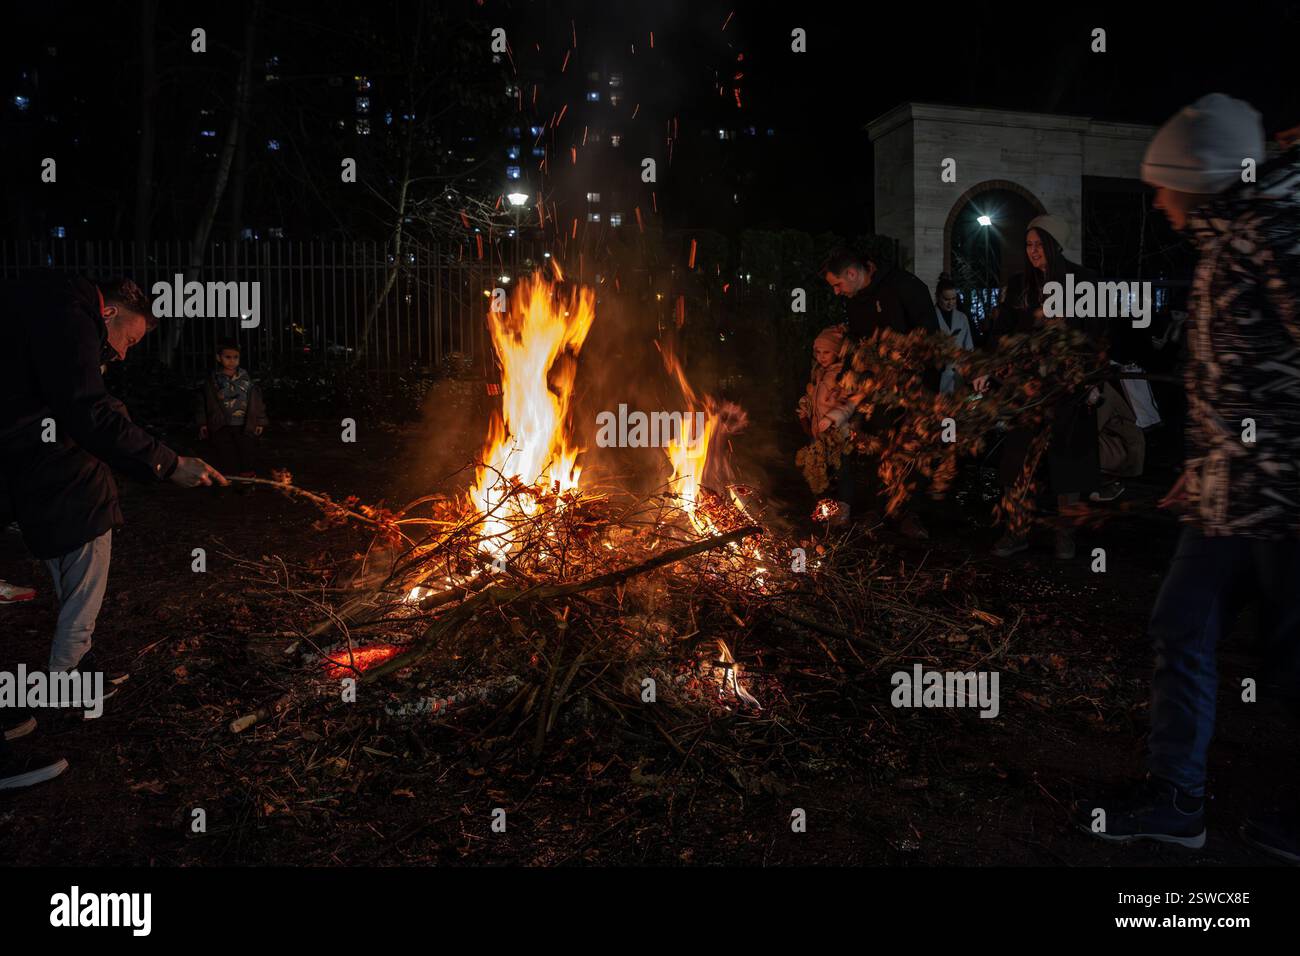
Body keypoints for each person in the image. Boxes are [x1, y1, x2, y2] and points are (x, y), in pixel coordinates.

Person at [1076, 94, 1300, 862]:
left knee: (1292, 656)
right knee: (1180, 628)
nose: (1159, 202)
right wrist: (1203, 466)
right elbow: (1229, 377)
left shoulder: (1279, 229)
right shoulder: (1227, 236)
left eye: (1165, 187)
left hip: (1285, 497)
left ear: (1200, 178)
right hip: (1228, 496)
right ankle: (1176, 801)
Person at [0, 274, 226, 791]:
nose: (123, 354)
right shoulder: (65, 310)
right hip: (28, 464)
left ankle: (62, 677)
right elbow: (85, 408)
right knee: (81, 514)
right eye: (128, 339)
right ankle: (62, 679)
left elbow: (75, 407)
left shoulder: (52, 308)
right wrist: (167, 463)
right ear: (111, 312)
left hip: (21, 461)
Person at [977, 216, 1104, 560]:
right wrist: (988, 367)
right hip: (1028, 390)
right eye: (1028, 245)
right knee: (1016, 462)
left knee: (1068, 466)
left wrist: (1090, 383)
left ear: (1053, 244)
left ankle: (1066, 537)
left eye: (1038, 244)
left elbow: (1094, 339)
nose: (1032, 251)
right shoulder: (1020, 285)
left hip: (1068, 388)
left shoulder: (1083, 283)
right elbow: (1001, 333)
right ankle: (1016, 531)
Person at [821, 247, 937, 538]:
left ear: (852, 273)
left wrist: (909, 369)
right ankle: (880, 508)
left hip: (914, 389)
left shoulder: (906, 287)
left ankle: (911, 513)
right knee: (878, 448)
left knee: (910, 451)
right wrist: (847, 379)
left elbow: (930, 336)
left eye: (838, 284)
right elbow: (856, 345)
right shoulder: (857, 300)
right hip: (877, 393)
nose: (837, 292)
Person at [798, 325, 861, 526]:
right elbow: (813, 397)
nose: (821, 356)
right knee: (818, 469)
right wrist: (805, 408)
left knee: (843, 470)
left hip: (838, 433)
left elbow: (849, 403)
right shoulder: (819, 372)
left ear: (837, 351)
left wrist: (833, 419)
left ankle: (843, 510)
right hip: (818, 433)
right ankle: (825, 508)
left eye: (827, 352)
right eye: (818, 352)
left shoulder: (842, 375)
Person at [197, 338, 269, 491]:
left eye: (235, 357)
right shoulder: (213, 381)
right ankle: (228, 483)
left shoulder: (246, 379)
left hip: (244, 425)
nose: (231, 361)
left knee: (246, 453)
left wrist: (260, 421)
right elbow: (203, 403)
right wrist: (203, 423)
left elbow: (257, 402)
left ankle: (247, 484)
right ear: (219, 358)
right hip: (221, 424)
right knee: (226, 454)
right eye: (227, 357)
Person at [933, 275, 975, 394]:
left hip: (958, 373)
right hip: (937, 374)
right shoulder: (931, 317)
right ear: (938, 296)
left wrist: (967, 368)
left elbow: (969, 347)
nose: (950, 303)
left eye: (953, 299)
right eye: (946, 299)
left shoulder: (962, 318)